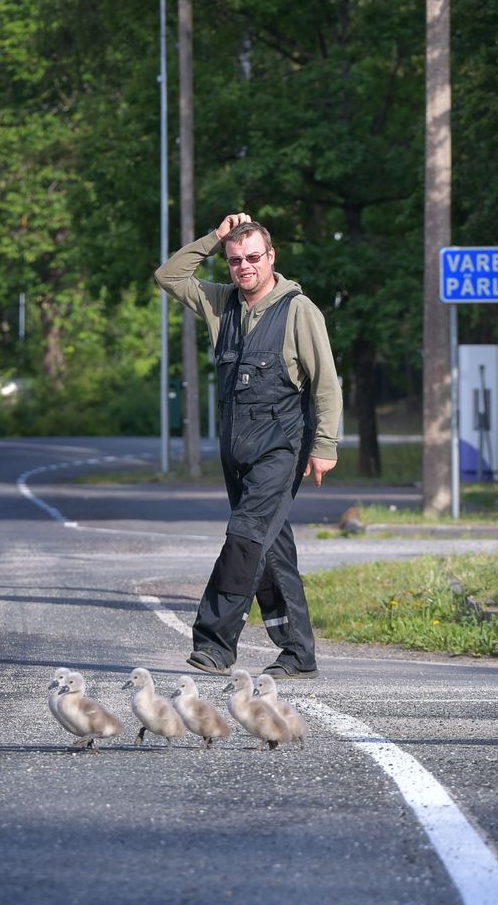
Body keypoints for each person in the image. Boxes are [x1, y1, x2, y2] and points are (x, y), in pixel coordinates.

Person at [155, 212, 341, 679]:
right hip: (235, 449)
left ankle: (215, 643)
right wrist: (214, 238)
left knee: (244, 538)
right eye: (235, 259)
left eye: (252, 257)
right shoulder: (222, 305)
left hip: (281, 447)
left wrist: (325, 444)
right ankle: (298, 652)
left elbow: (326, 383)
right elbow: (169, 275)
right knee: (269, 547)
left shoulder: (299, 310)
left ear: (271, 257)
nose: (244, 267)